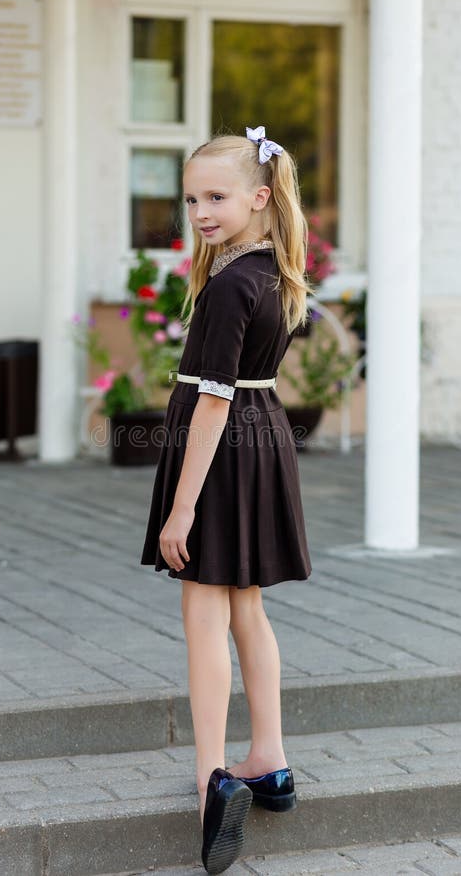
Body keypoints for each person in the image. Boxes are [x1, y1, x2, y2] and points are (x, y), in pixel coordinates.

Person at [140, 126, 314, 874]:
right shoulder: (272, 272)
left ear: (259, 196)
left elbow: (212, 403)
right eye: (191, 200)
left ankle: (212, 779)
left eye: (216, 197)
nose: (201, 212)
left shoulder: (228, 285)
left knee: (204, 613)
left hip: (220, 452)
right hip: (262, 436)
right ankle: (268, 759)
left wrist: (182, 509)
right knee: (247, 606)